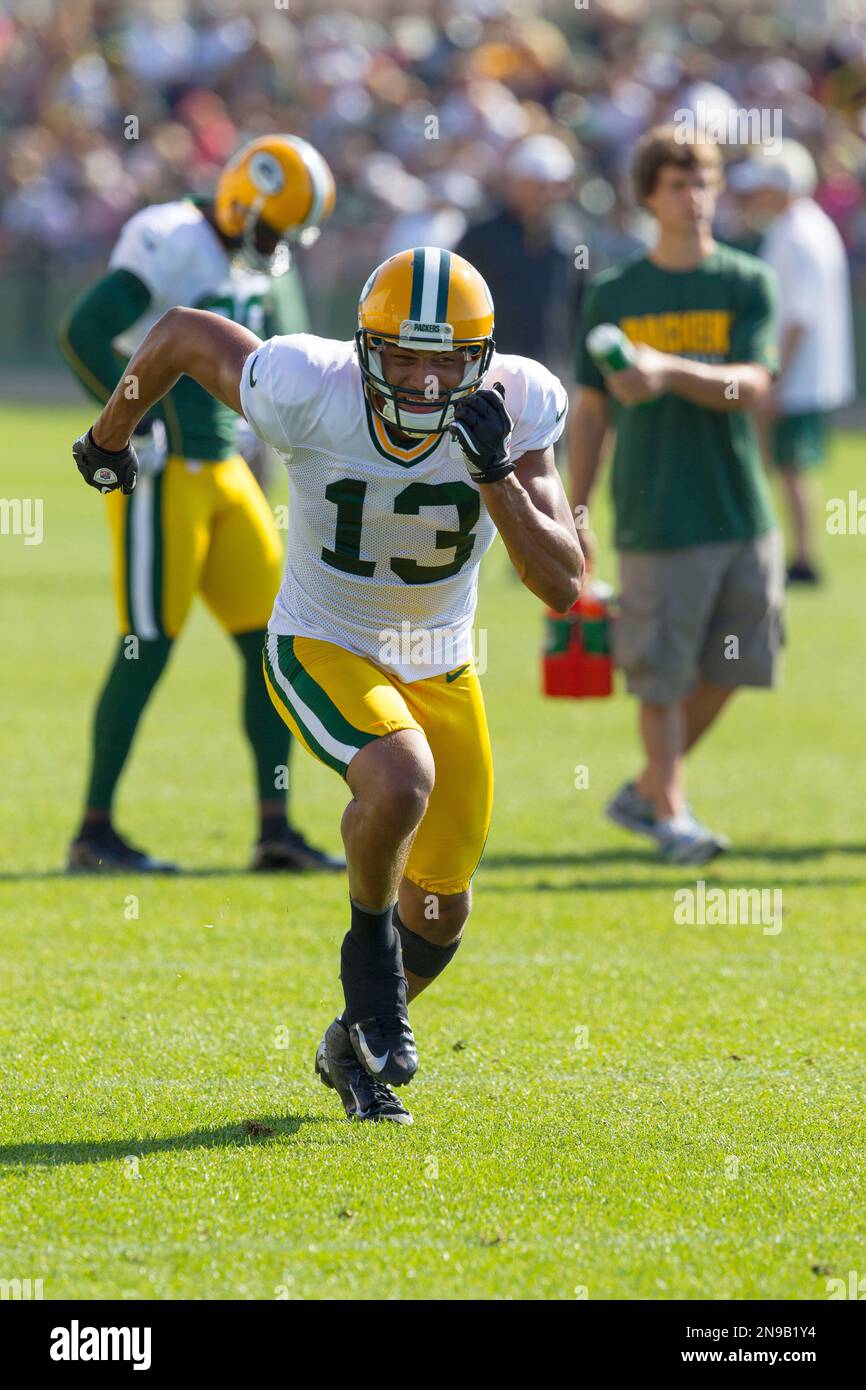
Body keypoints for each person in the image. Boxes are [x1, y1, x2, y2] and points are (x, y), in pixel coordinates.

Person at [70, 245, 584, 1123]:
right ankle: (371, 976)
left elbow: (565, 582)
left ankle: (352, 1041)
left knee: (445, 905)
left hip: (441, 662)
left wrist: (495, 473)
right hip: (322, 640)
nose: (424, 382)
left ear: (482, 359)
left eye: (446, 359)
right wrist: (109, 435)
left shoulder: (521, 401)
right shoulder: (310, 383)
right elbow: (185, 335)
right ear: (365, 348)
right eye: (405, 357)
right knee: (399, 777)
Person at [58, 134, 343, 874]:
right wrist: (130, 426)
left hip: (227, 472)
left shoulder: (256, 258)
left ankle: (274, 828)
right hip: (161, 474)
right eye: (274, 226)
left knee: (272, 647)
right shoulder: (171, 237)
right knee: (146, 643)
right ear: (242, 198)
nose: (278, 244)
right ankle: (94, 832)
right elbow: (83, 331)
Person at [569, 127, 784, 865]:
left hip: (738, 507)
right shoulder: (615, 294)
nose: (693, 198)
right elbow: (591, 410)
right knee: (657, 673)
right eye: (677, 185)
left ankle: (644, 791)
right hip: (655, 511)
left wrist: (669, 371)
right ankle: (673, 813)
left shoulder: (745, 279)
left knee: (743, 660)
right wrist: (575, 510)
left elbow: (751, 387)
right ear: (649, 197)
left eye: (705, 182)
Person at [728, 140, 856, 584]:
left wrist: (775, 378)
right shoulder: (806, 226)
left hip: (796, 375)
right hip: (804, 374)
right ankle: (791, 554)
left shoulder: (797, 234)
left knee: (790, 465)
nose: (755, 196)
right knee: (788, 465)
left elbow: (797, 318)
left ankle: (801, 558)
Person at [456, 134, 583, 381]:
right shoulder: (481, 237)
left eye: (554, 187)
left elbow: (580, 307)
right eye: (538, 186)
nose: (547, 195)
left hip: (552, 373)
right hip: (485, 370)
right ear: (516, 183)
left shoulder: (571, 239)